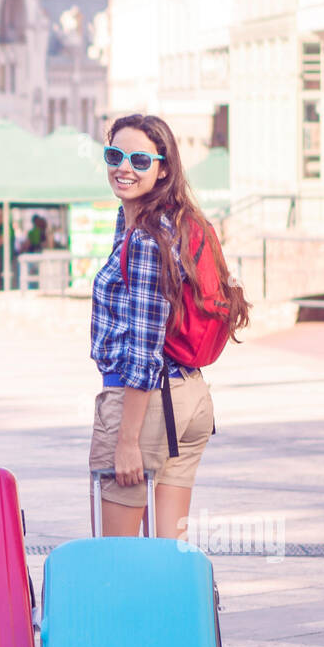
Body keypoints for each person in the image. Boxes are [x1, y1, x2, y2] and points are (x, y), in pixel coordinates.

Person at [89, 113, 248, 541]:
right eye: (114, 155)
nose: (124, 167)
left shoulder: (145, 239)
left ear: (163, 167)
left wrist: (127, 440)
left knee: (118, 556)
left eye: (140, 159)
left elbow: (143, 348)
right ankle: (179, 610)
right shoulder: (179, 221)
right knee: (167, 550)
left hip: (147, 404)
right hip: (191, 397)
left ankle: (131, 611)